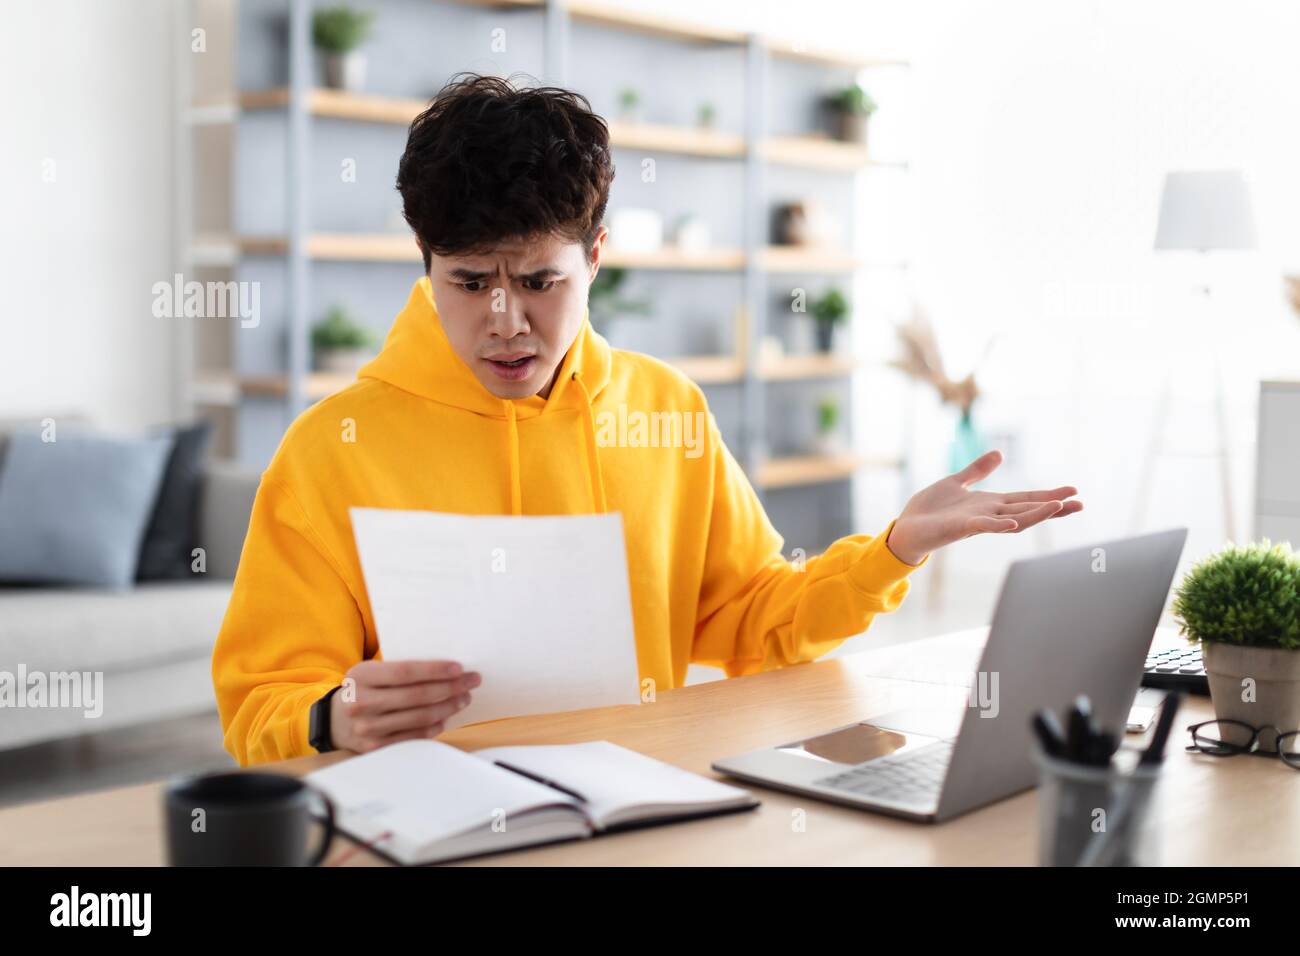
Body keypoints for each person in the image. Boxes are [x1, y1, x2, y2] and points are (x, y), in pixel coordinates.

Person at [212, 74, 1082, 766]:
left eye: (540, 282)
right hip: (432, 826)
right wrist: (331, 716)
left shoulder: (666, 411)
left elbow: (759, 622)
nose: (505, 319)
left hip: (643, 803)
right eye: (470, 283)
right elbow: (259, 705)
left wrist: (892, 549)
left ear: (595, 257)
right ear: (426, 262)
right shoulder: (331, 448)